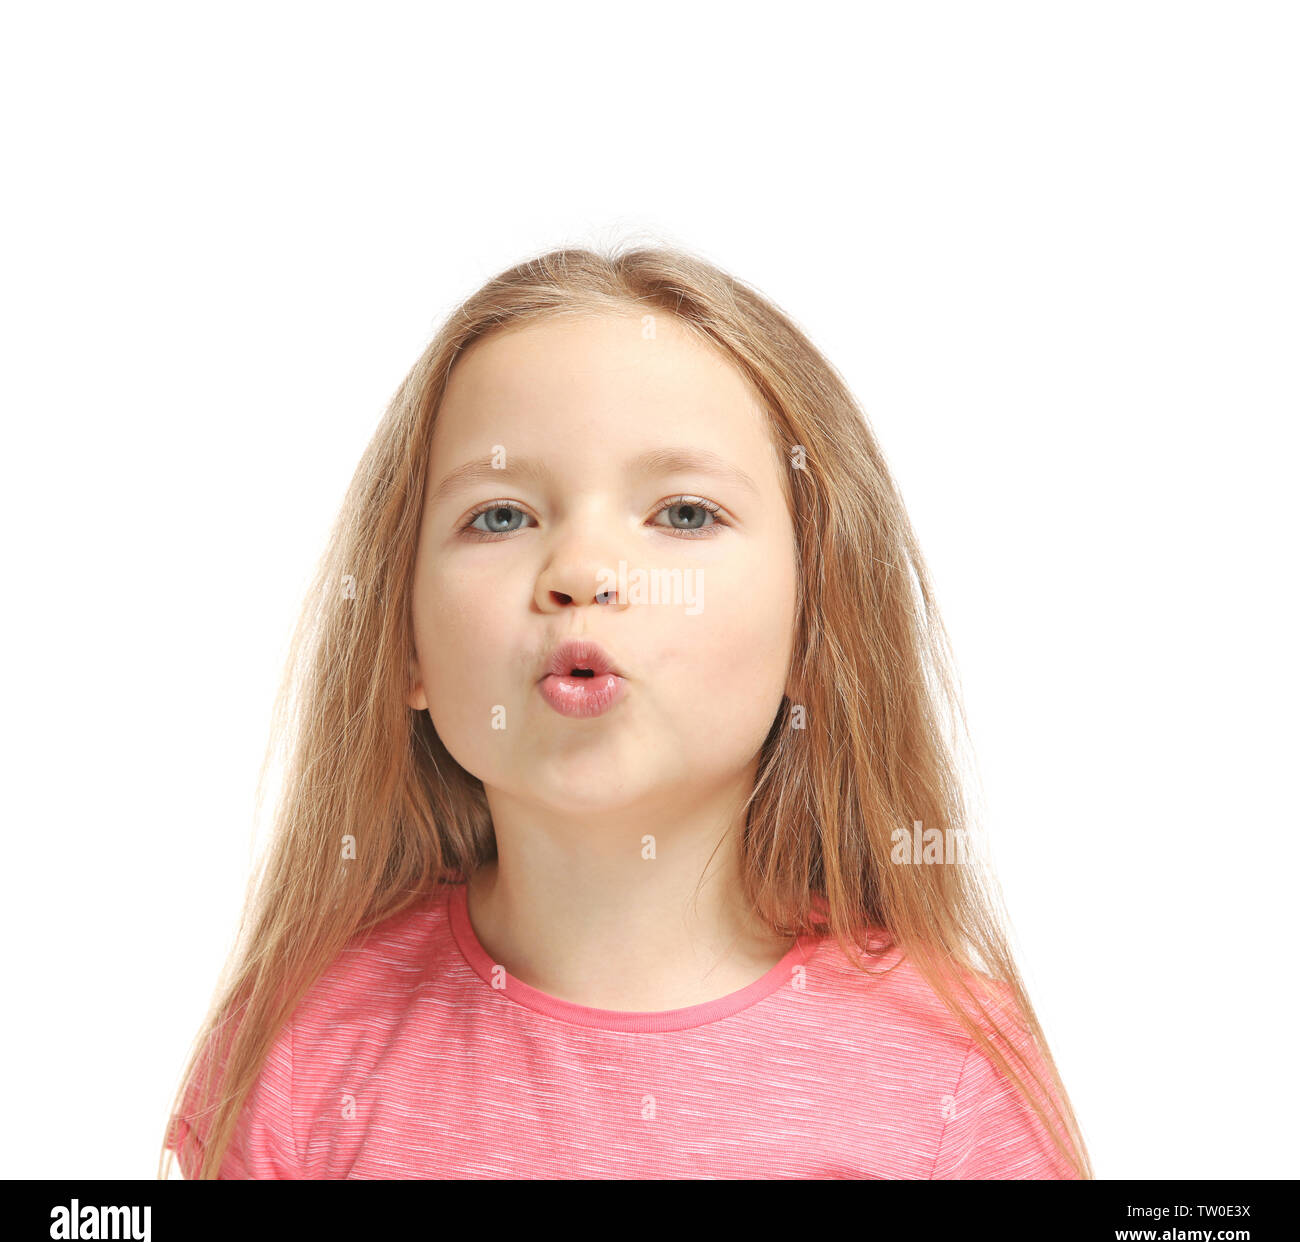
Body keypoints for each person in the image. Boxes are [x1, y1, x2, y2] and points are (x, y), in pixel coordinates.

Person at [161, 243, 1091, 1180]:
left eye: (684, 514)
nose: (582, 572)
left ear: (816, 633)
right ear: (406, 646)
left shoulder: (953, 1075)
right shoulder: (295, 1055)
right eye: (500, 515)